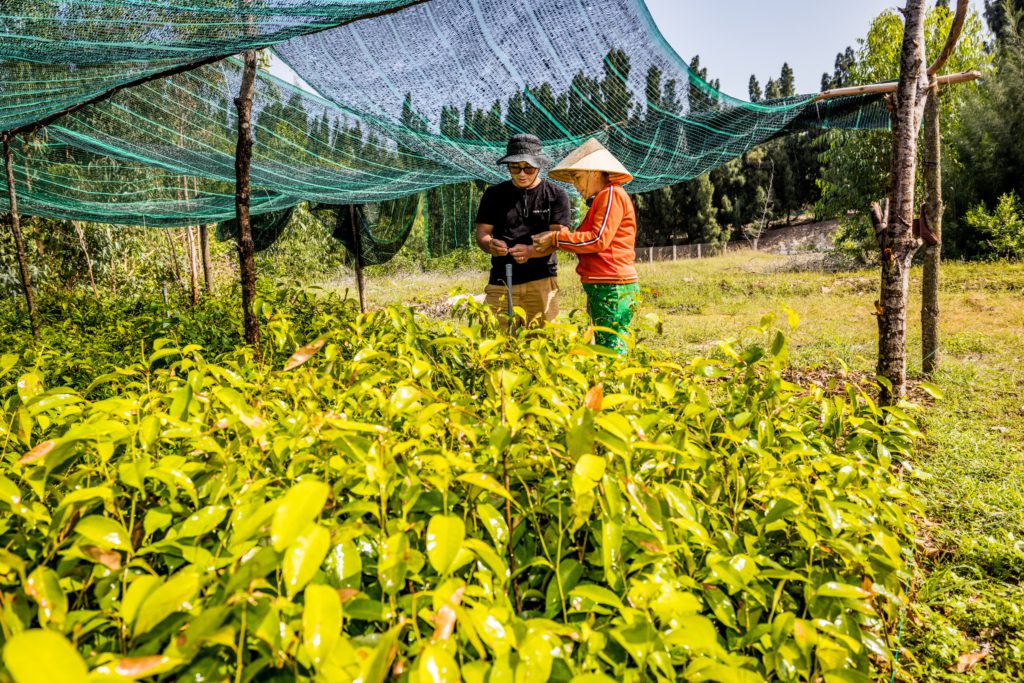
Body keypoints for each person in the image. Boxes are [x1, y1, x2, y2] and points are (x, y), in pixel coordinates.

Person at [532, 138, 638, 354]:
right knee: (605, 343)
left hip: (613, 284)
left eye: (578, 177)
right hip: (603, 283)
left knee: (611, 348)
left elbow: (597, 239)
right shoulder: (602, 198)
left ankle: (613, 387)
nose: (576, 185)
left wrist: (555, 238)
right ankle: (608, 385)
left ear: (595, 172)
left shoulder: (611, 195)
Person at [474, 134, 571, 325]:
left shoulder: (555, 195)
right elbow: (482, 233)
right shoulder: (494, 195)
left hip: (541, 280)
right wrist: (490, 245)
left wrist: (531, 252)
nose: (522, 173)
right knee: (495, 341)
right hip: (501, 281)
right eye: (515, 167)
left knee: (542, 343)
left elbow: (560, 237)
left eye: (528, 168)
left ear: (539, 166)